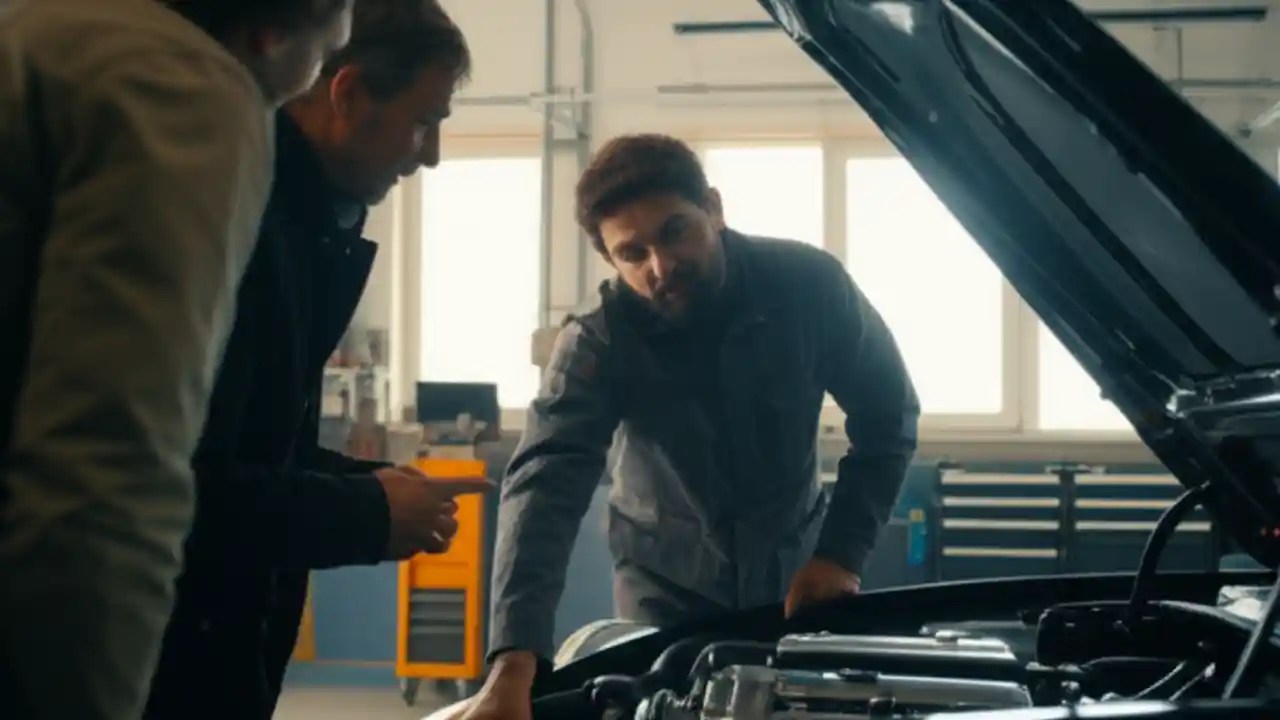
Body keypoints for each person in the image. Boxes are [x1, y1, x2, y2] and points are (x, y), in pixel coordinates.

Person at [459, 134, 921, 719]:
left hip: (799, 579)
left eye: (675, 231)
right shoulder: (598, 342)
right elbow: (544, 489)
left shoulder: (811, 288)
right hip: (662, 593)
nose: (662, 265)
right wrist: (513, 662)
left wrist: (841, 555)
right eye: (633, 253)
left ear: (714, 208)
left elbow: (889, 414)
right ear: (610, 260)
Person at [0, 1, 354, 719]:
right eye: (326, 57)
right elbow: (105, 471)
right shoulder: (177, 81)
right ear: (271, 31)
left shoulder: (33, 37)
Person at [139, 2, 478, 718]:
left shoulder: (291, 225)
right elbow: (162, 490)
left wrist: (372, 485)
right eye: (426, 120)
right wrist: (363, 512)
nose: (431, 156)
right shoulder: (227, 216)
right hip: (148, 661)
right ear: (347, 92)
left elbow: (244, 449)